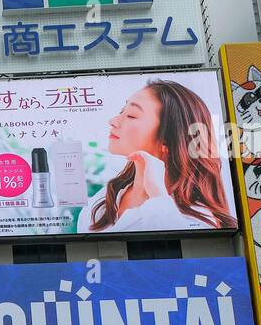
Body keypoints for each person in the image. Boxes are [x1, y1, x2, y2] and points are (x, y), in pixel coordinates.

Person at [86, 79, 237, 234]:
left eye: (131, 115)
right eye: (121, 112)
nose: (113, 121)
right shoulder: (107, 196)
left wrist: (158, 196)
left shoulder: (197, 219)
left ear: (168, 139)